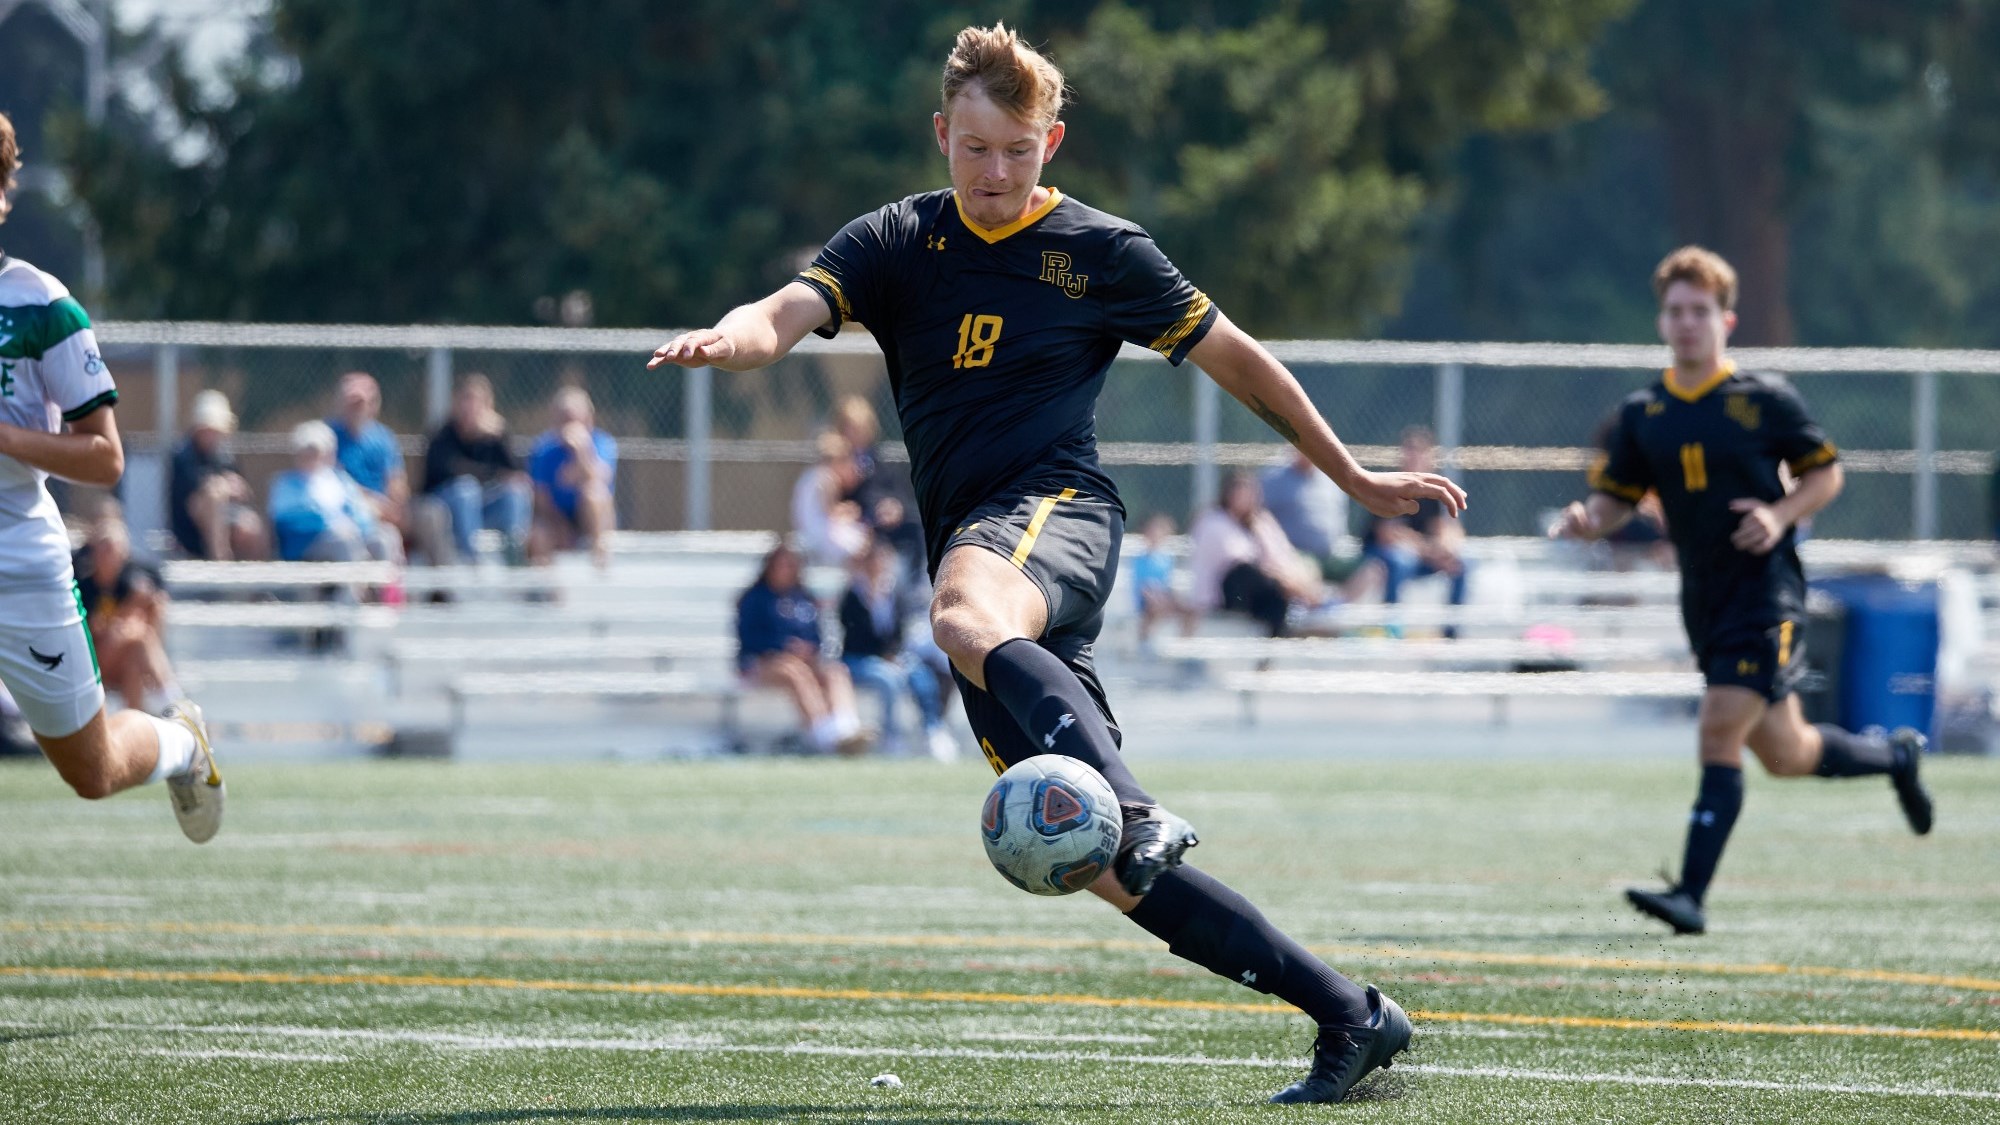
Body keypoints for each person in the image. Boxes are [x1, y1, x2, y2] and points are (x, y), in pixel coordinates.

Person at [649, 25, 1464, 1104]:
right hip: (986, 556)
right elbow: (779, 315)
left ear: (1052, 143)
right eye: (974, 148)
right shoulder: (895, 241)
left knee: (961, 619)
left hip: (1057, 513)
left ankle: (1132, 801)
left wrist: (1351, 476)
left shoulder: (1101, 251)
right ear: (940, 134)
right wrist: (729, 339)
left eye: (1017, 150)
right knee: (1107, 868)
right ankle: (1350, 1014)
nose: (994, 172)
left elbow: (1240, 363)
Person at [1555, 245, 1933, 936]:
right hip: (1703, 599)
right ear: (1661, 320)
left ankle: (1690, 895)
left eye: (1700, 310)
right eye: (1676, 310)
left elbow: (1826, 474)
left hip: (1766, 593)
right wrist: (1588, 520)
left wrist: (1779, 515)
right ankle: (1896, 757)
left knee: (1719, 723)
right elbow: (1616, 499)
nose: (1687, 322)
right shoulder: (1643, 412)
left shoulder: (1765, 399)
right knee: (1787, 753)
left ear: (1726, 320)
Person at [0, 111, 223, 842]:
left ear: (2, 195)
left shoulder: (40, 304)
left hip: (18, 561)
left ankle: (182, 743)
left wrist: (4, 437)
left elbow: (104, 456)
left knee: (91, 770)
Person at [736, 543, 868, 755]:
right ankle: (823, 735)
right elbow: (749, 638)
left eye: (791, 565)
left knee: (834, 671)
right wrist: (782, 647)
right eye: (782, 565)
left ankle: (847, 729)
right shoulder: (755, 598)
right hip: (764, 662)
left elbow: (816, 635)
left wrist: (809, 648)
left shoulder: (803, 598)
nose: (787, 570)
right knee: (794, 672)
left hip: (804, 659)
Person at [841, 538, 957, 760]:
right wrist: (882, 655)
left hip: (890, 656)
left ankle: (932, 728)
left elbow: (899, 630)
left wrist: (892, 653)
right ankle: (891, 734)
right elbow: (854, 633)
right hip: (860, 658)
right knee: (888, 680)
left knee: (921, 675)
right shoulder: (853, 594)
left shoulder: (893, 592)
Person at [1189, 472, 1328, 638]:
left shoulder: (1261, 521)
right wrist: (1283, 579)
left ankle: (1279, 637)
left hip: (1263, 590)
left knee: (1279, 593)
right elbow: (1239, 558)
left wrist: (1293, 579)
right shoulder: (1213, 521)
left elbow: (1282, 555)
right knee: (1249, 573)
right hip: (1225, 592)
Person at [1362, 427, 1470, 637]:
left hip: (1420, 556)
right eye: (1410, 450)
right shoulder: (1390, 483)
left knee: (1459, 564)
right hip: (1380, 555)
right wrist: (1429, 552)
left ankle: (1451, 634)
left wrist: (1445, 550)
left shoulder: (1431, 489)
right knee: (1401, 560)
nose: (1415, 456)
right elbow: (1388, 534)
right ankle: (1392, 628)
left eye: (1421, 451)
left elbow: (1443, 527)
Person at [415, 373, 530, 566]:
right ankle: (472, 559)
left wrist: (501, 436)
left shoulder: (496, 435)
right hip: (447, 505)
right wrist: (494, 474)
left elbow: (516, 473)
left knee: (516, 492)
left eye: (478, 401)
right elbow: (451, 470)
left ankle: (513, 554)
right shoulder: (442, 435)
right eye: (466, 400)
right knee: (466, 489)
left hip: (484, 506)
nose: (471, 407)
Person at [73, 513, 181, 714]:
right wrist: (130, 608)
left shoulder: (128, 582)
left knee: (134, 657)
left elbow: (151, 608)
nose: (108, 556)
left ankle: (136, 718)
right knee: (139, 639)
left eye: (114, 550)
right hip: (92, 663)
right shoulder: (83, 587)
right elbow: (92, 633)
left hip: (121, 658)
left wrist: (127, 620)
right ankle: (171, 699)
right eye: (104, 549)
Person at [269, 421, 397, 563]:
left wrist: (358, 525)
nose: (312, 458)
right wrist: (329, 524)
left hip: (350, 534)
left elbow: (358, 510)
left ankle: (383, 577)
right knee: (343, 541)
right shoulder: (286, 483)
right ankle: (353, 578)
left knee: (382, 538)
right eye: (307, 453)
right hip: (308, 542)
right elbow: (285, 518)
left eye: (317, 453)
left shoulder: (340, 479)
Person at [1261, 450, 1379, 601]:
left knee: (1372, 570)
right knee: (1309, 570)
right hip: (1297, 554)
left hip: (1332, 554)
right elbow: (1260, 517)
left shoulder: (1332, 478)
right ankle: (1316, 609)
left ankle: (1335, 607)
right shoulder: (1273, 480)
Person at [168, 389, 266, 560]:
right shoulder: (183, 455)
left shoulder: (224, 455)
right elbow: (198, 490)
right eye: (205, 429)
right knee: (215, 493)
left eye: (214, 429)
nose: (210, 434)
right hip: (191, 527)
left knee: (251, 525)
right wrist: (225, 486)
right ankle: (219, 559)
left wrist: (235, 487)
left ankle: (255, 573)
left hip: (226, 517)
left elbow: (242, 491)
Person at [527, 386, 617, 568]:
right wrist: (560, 525)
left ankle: (600, 563)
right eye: (563, 418)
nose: (568, 425)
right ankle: (545, 582)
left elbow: (602, 479)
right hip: (556, 516)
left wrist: (581, 451)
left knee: (594, 492)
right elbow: (541, 497)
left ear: (588, 419)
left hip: (592, 518)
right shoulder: (544, 449)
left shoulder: (602, 443)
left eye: (574, 418)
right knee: (538, 535)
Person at [328, 371, 409, 550]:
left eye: (362, 403)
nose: (357, 408)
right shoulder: (329, 436)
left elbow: (396, 479)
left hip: (382, 510)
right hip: (345, 509)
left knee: (426, 516)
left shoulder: (384, 437)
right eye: (352, 403)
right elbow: (333, 484)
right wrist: (375, 503)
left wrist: (395, 504)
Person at [791, 431, 870, 565]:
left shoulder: (810, 475)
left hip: (805, 530)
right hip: (819, 533)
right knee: (861, 538)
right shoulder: (827, 478)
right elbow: (829, 513)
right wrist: (849, 511)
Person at [1128, 513, 1195, 650]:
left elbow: (1167, 583)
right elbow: (1142, 586)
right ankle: (1144, 642)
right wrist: (1155, 596)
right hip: (1146, 599)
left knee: (1190, 609)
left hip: (1163, 597)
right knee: (1154, 607)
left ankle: (1184, 644)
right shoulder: (1140, 558)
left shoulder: (1166, 558)